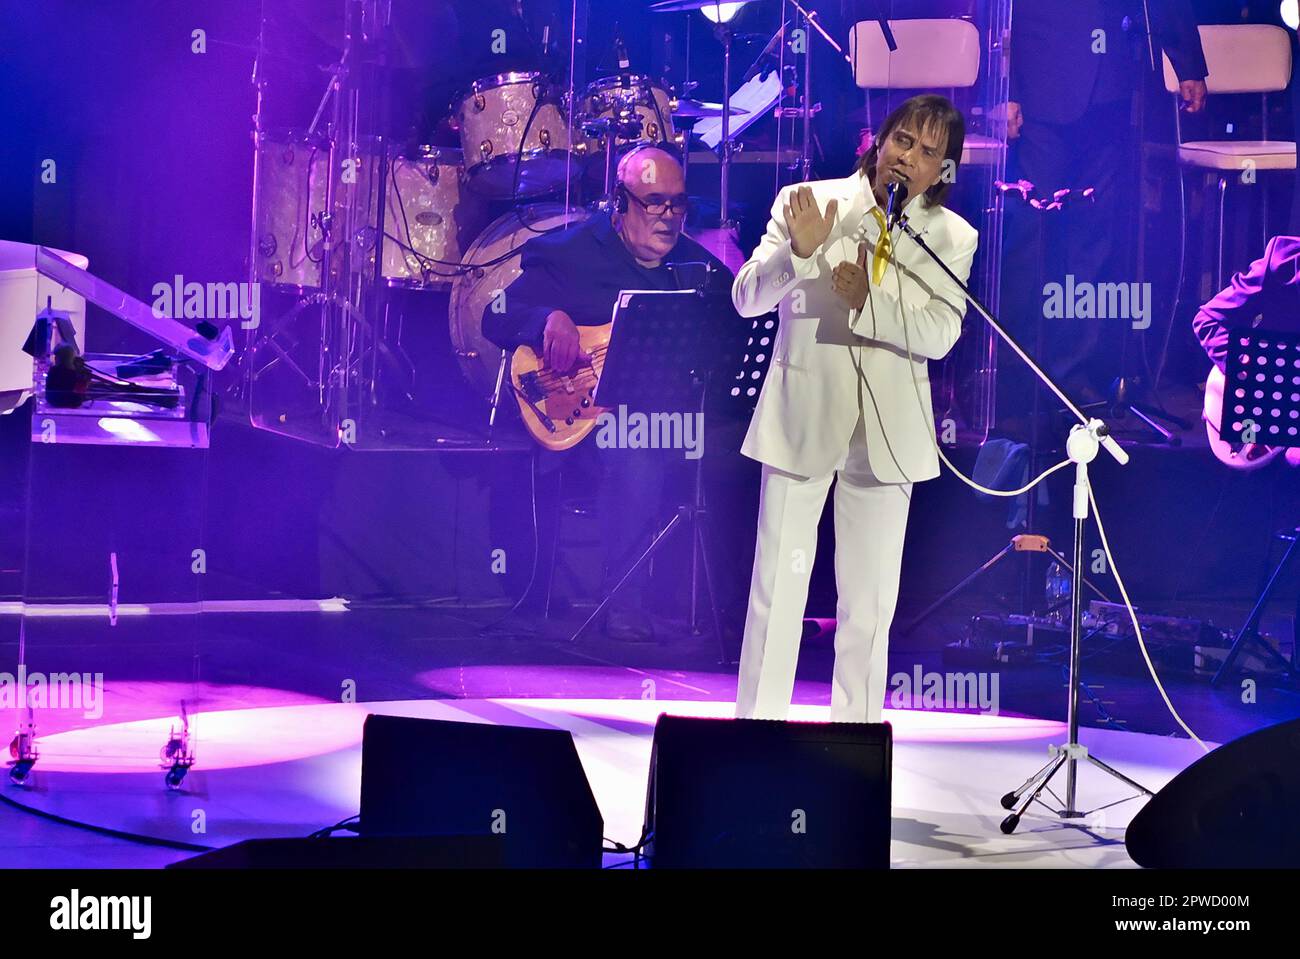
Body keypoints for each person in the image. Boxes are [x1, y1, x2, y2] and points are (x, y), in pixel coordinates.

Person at [731, 94, 978, 724]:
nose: (909, 158)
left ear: (944, 169)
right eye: (903, 140)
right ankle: (753, 743)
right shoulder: (811, 202)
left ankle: (855, 748)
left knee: (869, 608)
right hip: (804, 416)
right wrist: (802, 253)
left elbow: (941, 333)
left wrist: (871, 303)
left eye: (929, 152)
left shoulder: (951, 236)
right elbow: (746, 298)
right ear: (878, 139)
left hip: (888, 433)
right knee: (777, 592)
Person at [482, 146, 742, 642]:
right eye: (654, 202)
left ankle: (734, 607)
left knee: (752, 453)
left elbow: (731, 347)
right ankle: (623, 601)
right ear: (620, 204)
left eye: (678, 204)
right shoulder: (568, 252)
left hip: (677, 414)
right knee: (636, 449)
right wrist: (545, 320)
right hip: (586, 420)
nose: (668, 217)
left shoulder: (701, 271)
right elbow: (494, 314)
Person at [1001, 0, 1207, 407]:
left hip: (1110, 91)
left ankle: (1072, 375)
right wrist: (1005, 88)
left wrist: (1188, 64)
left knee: (1093, 241)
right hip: (1040, 90)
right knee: (1031, 237)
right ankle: (1015, 378)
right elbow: (1003, 13)